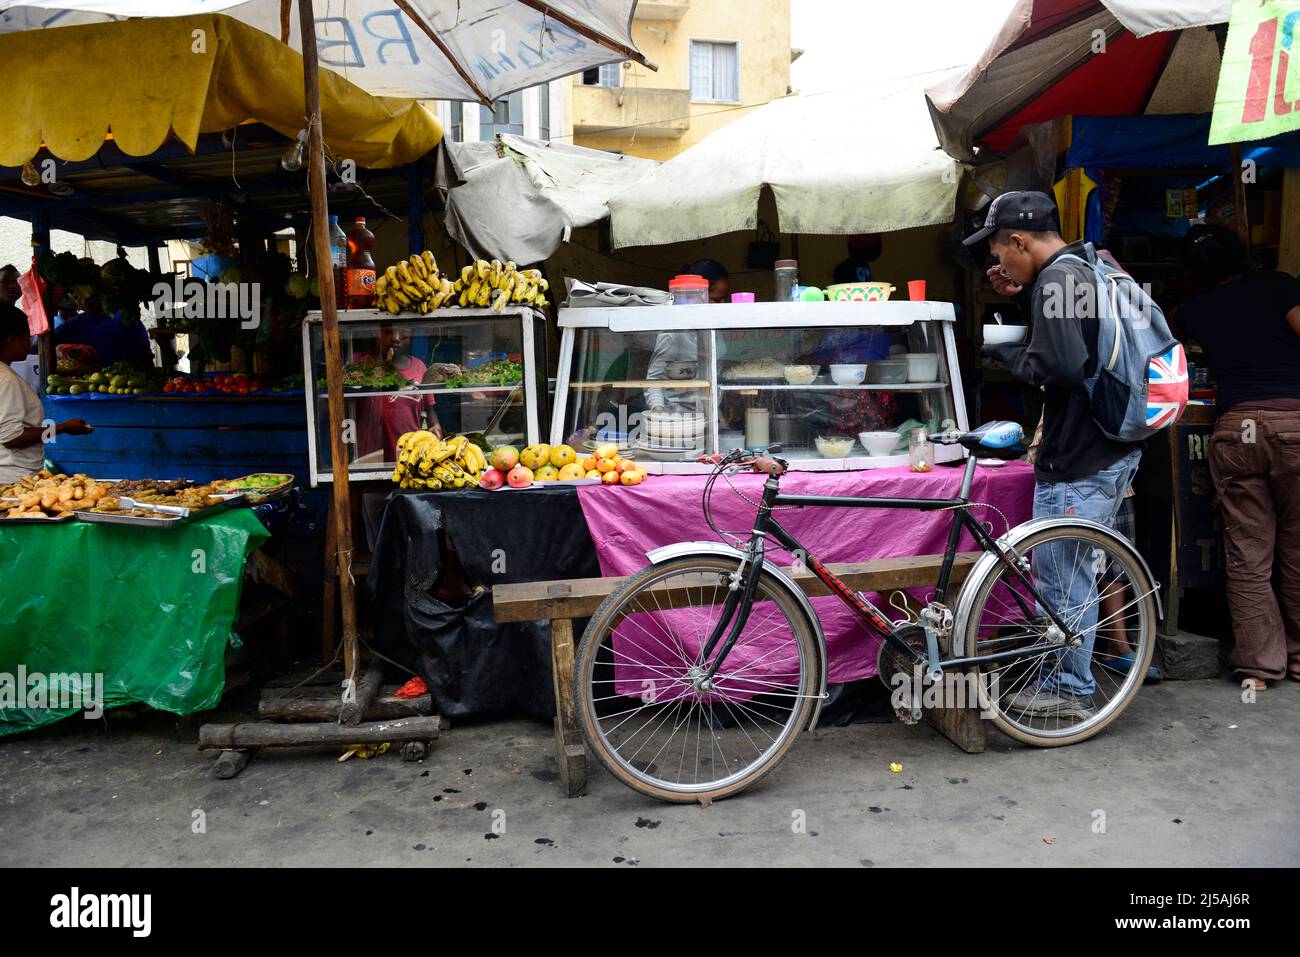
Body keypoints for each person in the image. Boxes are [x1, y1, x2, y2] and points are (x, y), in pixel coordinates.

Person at [968, 190, 1147, 719]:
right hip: (1111, 446)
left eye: (1000, 252)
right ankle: (1067, 677)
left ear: (1020, 240)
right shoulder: (1086, 265)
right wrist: (1024, 295)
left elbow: (1063, 366)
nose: (998, 263)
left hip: (1080, 454)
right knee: (1072, 569)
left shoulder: (1058, 277)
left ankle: (1069, 687)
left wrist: (1003, 349)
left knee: (1062, 574)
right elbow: (1079, 341)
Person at [1175, 224, 1300, 691]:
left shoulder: (1194, 309)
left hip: (1235, 430)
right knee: (1297, 548)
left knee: (1248, 555)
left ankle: (1259, 668)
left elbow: (1162, 338)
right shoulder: (1280, 285)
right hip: (1293, 425)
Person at [0, 304, 92, 482]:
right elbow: (12, 437)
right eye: (27, 335)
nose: (30, 341)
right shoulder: (6, 380)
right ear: (11, 340)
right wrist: (63, 428)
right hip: (12, 477)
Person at [54, 292, 152, 367]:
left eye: (88, 296)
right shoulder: (72, 326)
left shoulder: (127, 319)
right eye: (77, 297)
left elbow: (146, 359)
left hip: (129, 383)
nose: (82, 301)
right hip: (88, 384)